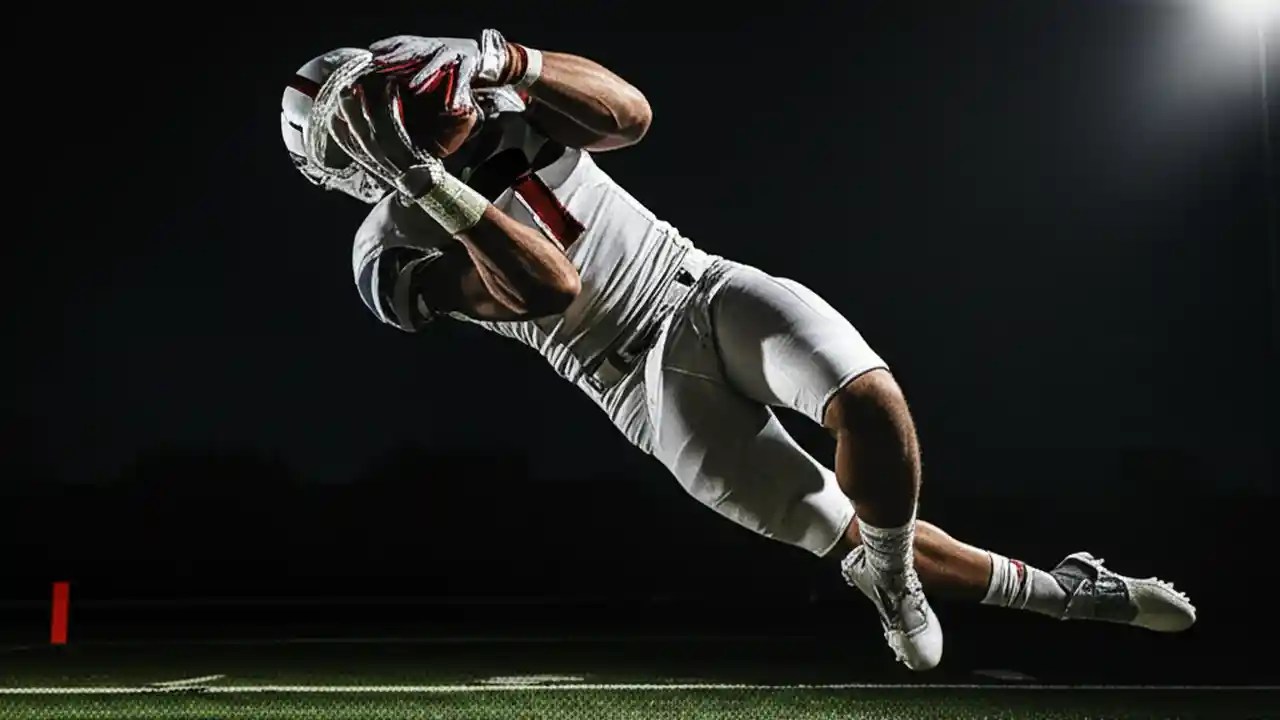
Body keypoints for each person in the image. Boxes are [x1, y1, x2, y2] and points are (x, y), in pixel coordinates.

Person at [279, 30, 1195, 671]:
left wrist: (502, 58)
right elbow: (553, 289)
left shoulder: (493, 101)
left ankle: (890, 575)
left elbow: (631, 116)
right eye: (367, 117)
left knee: (870, 403)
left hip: (698, 284)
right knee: (857, 535)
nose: (393, 111)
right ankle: (1073, 594)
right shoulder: (386, 248)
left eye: (381, 95)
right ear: (345, 162)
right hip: (632, 383)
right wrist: (424, 178)